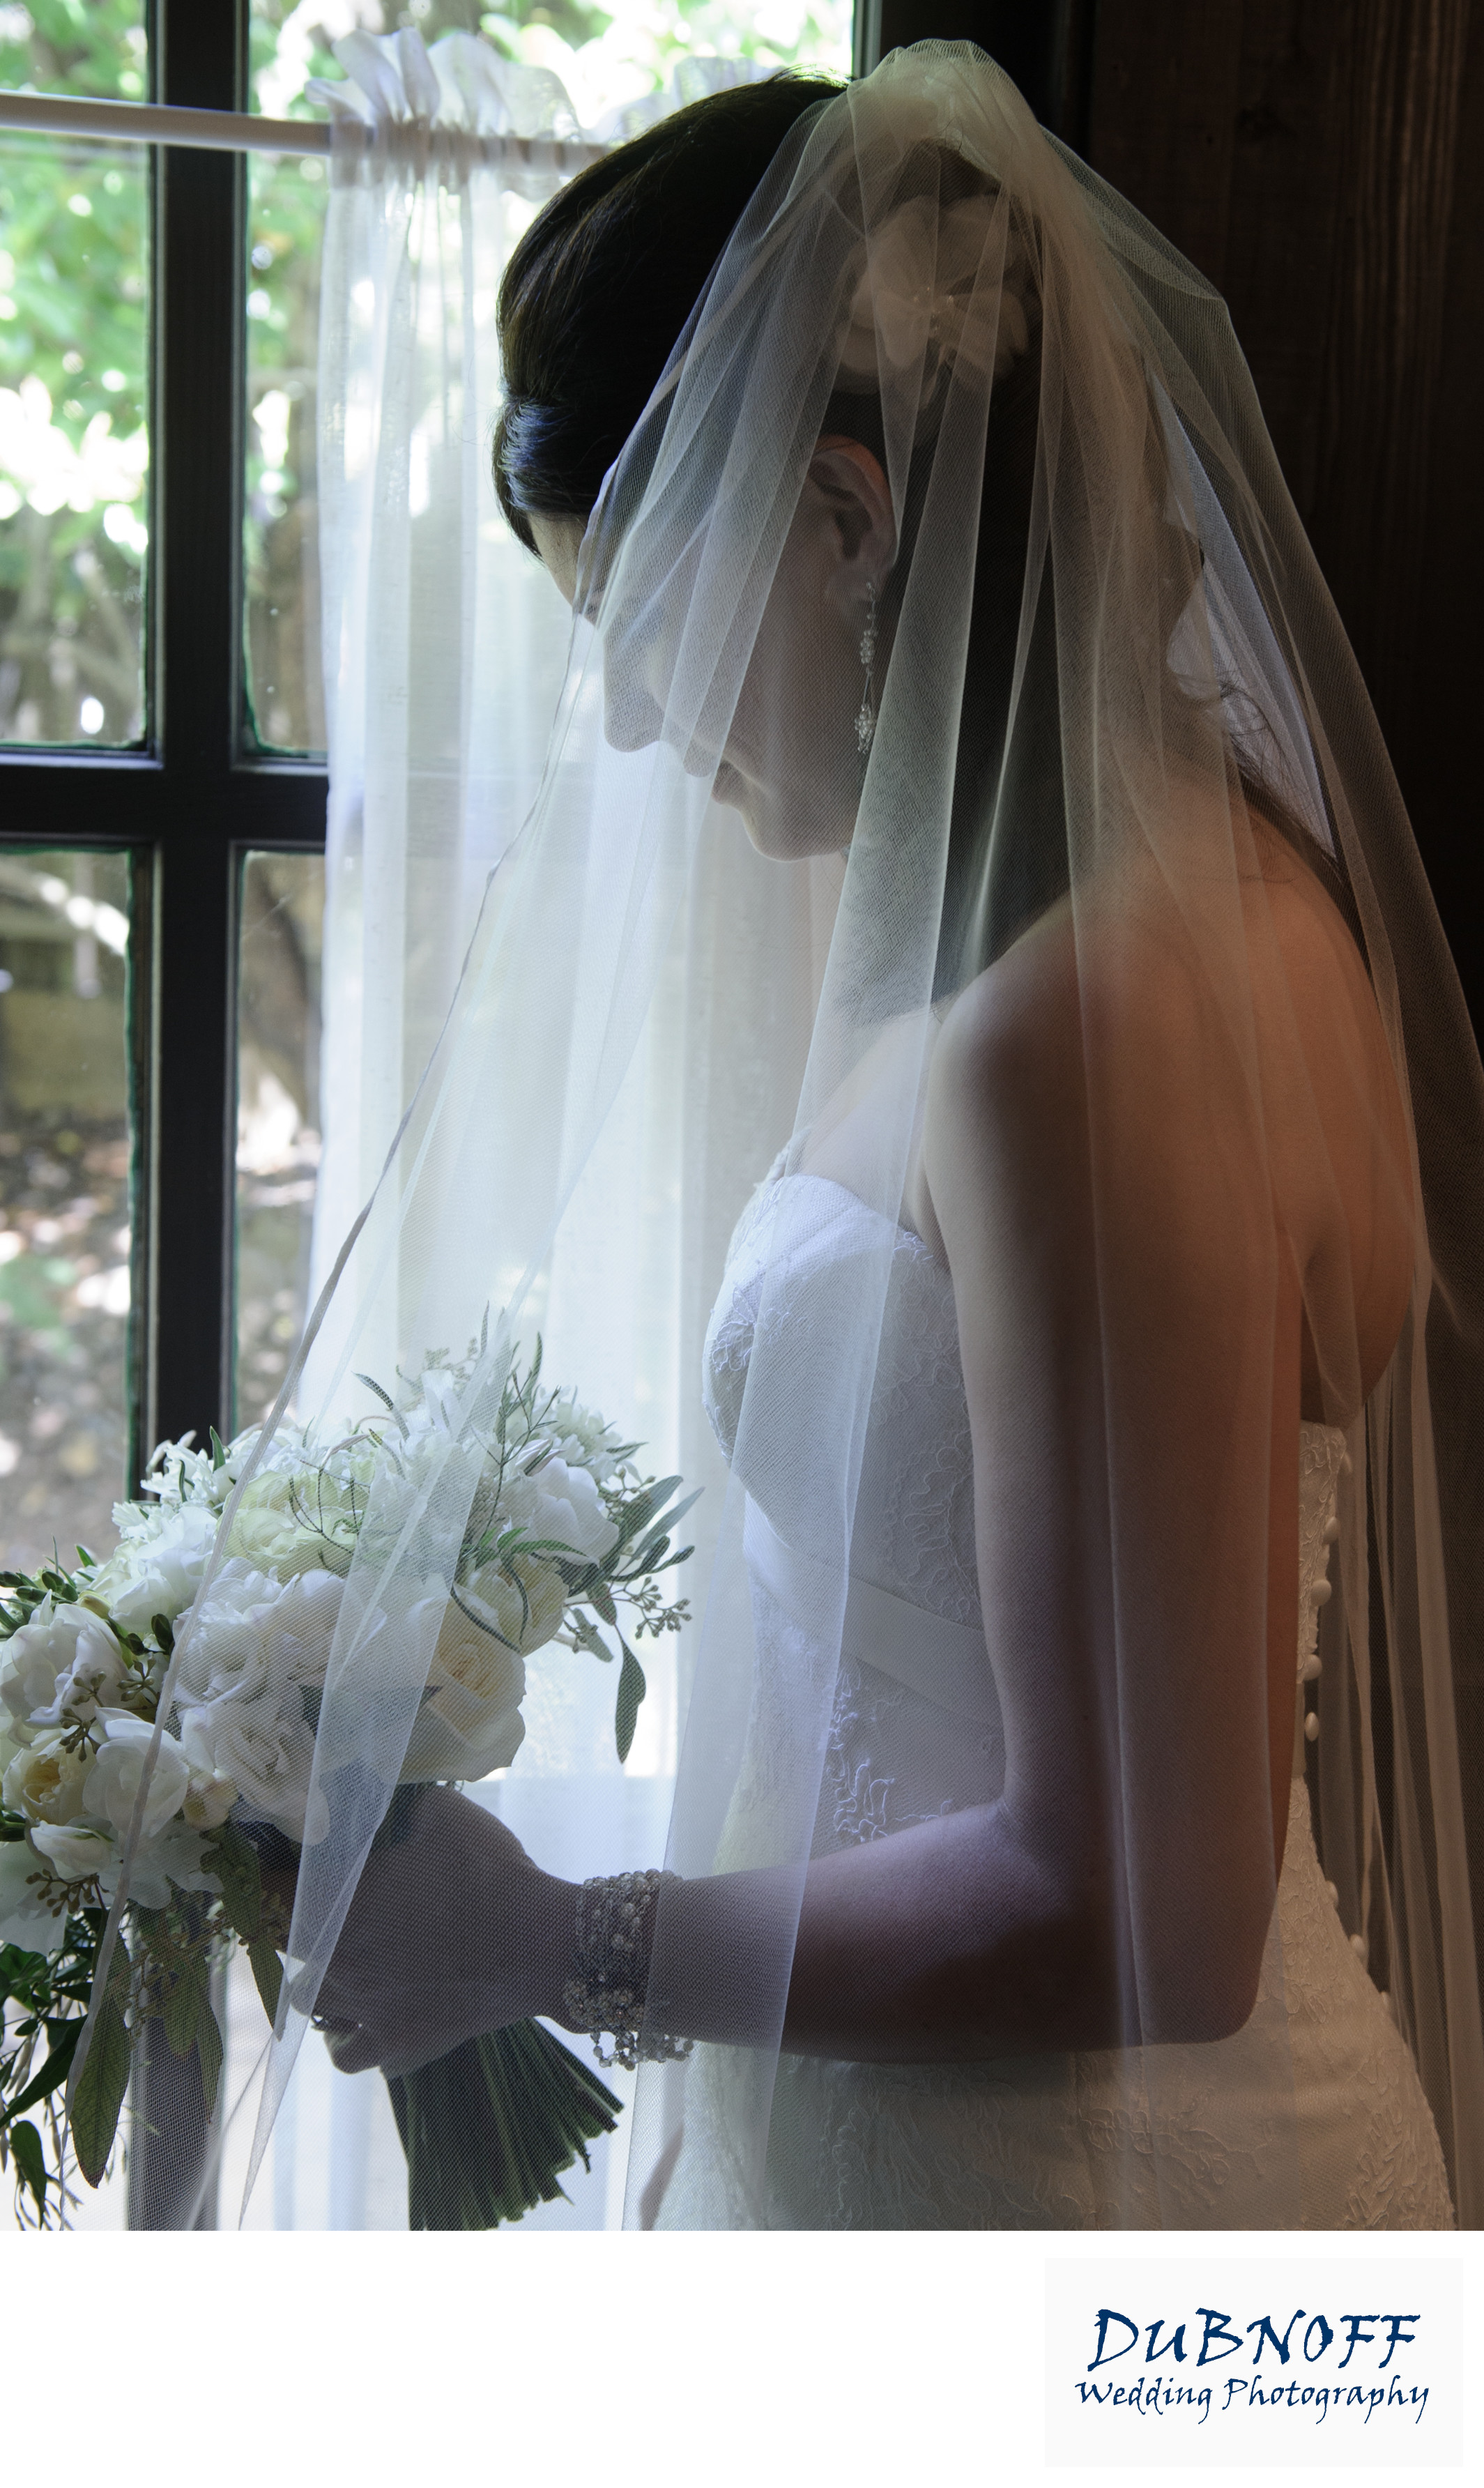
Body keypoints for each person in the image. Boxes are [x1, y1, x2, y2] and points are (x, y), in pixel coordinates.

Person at [304, 44, 1483, 2229]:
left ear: (844, 524)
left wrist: (556, 1938)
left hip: (1101, 2222)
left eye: (636, 617)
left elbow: (1148, 1910)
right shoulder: (1127, 916)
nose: (634, 717)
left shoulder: (1091, 1026)